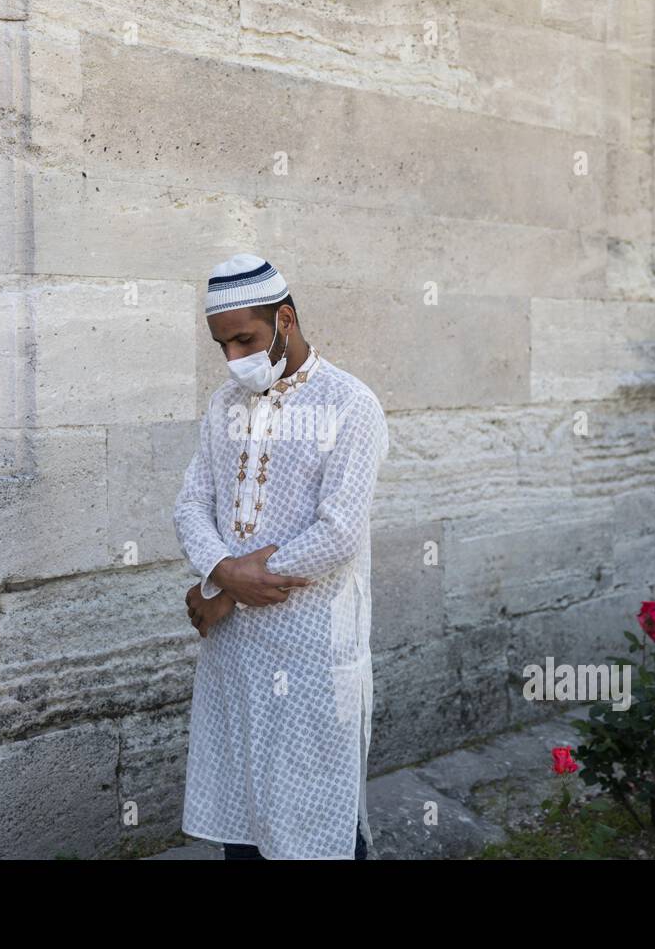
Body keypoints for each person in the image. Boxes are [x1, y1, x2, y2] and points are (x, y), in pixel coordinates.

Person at [174, 253, 390, 860]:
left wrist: (229, 588)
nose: (235, 358)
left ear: (286, 319)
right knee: (244, 819)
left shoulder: (351, 404)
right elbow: (191, 504)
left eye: (246, 338)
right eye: (223, 345)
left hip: (312, 652)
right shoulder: (223, 408)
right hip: (235, 652)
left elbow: (340, 531)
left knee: (319, 822)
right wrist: (221, 575)